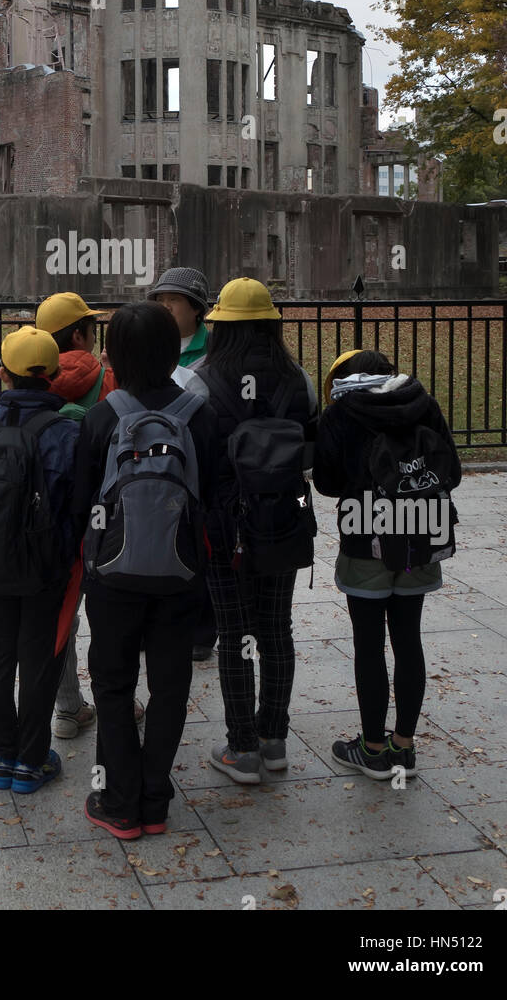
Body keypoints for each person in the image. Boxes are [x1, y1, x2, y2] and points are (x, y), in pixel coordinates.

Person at [73, 302, 218, 838]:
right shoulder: (199, 415)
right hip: (181, 573)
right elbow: (217, 495)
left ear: (114, 354)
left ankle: (119, 799)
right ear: (172, 349)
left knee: (113, 684)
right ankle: (155, 799)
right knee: (171, 685)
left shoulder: (103, 416)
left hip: (112, 574)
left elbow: (81, 499)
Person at [182, 278, 318, 785]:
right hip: (282, 523)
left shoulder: (197, 380)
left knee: (235, 633)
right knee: (276, 630)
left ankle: (241, 748)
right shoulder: (297, 379)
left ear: (220, 327)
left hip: (224, 531)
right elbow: (308, 451)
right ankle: (273, 739)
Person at [312, 349, 461, 779]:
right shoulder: (423, 404)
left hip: (368, 540)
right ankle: (404, 746)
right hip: (421, 538)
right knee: (408, 639)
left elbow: (326, 482)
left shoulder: (340, 415)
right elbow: (451, 470)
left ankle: (373, 749)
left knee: (368, 643)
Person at [0, 326, 80, 793]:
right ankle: (32, 759)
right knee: (41, 653)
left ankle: (3, 756)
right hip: (48, 567)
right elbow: (78, 500)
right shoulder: (66, 430)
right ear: (52, 376)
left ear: (2, 374)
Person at [35, 292, 114, 740]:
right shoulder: (108, 378)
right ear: (82, 334)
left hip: (50, 517)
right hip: (102, 515)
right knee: (106, 611)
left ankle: (67, 708)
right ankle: (112, 697)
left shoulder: (33, 380)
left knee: (60, 612)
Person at [147, 267, 217, 660]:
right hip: (158, 458)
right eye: (159, 300)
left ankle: (202, 633)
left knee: (198, 539)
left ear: (195, 308)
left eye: (172, 300)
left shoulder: (213, 349)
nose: (164, 306)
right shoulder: (152, 341)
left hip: (195, 454)